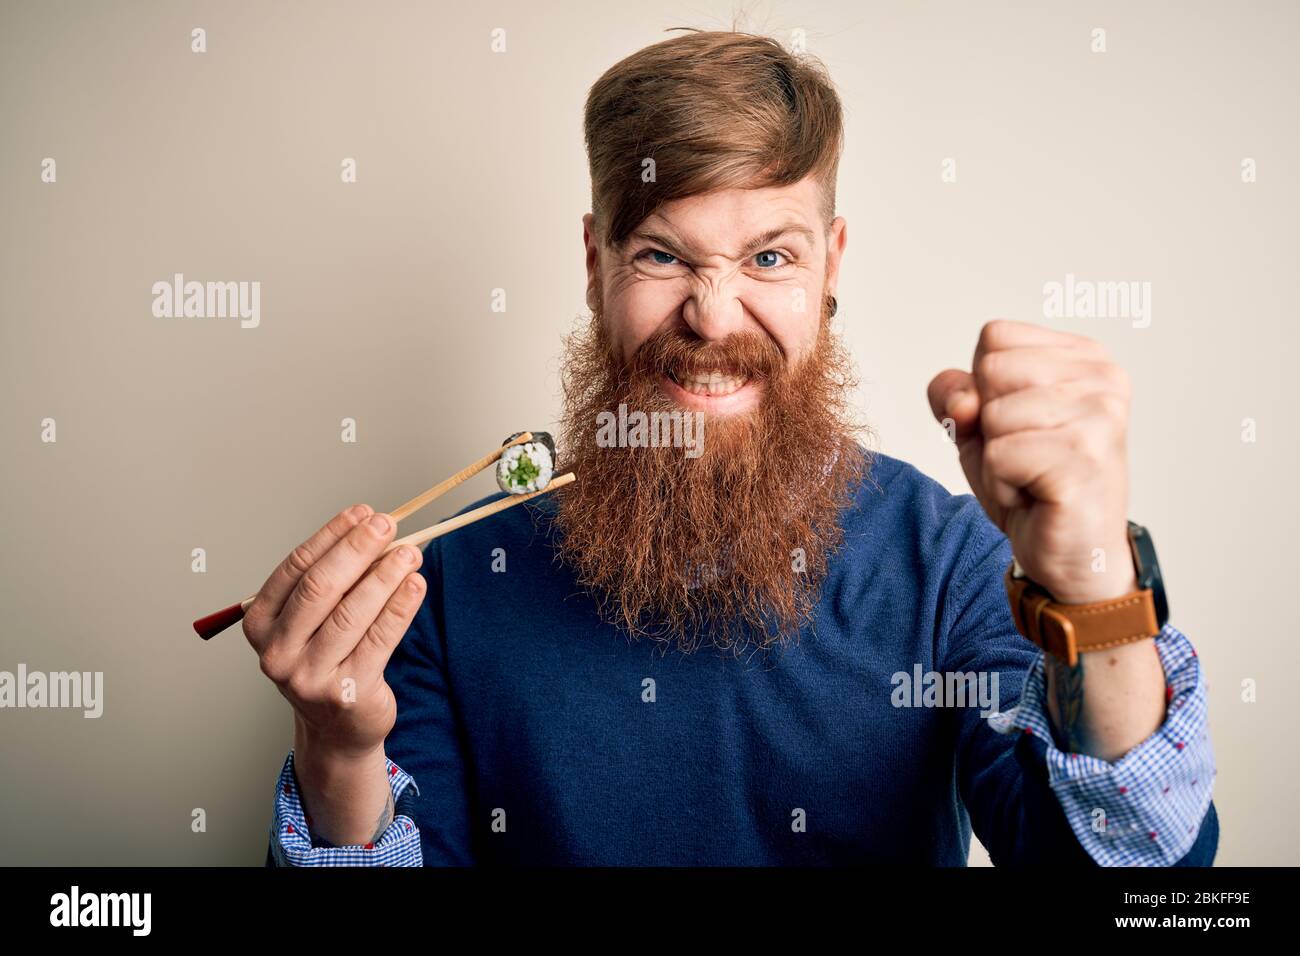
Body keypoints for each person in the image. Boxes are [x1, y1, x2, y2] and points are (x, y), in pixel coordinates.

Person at [245, 29, 1217, 866]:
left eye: (768, 257)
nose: (713, 318)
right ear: (596, 265)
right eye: (662, 254)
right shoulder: (452, 578)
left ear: (830, 263)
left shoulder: (949, 567)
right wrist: (337, 751)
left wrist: (1094, 590)